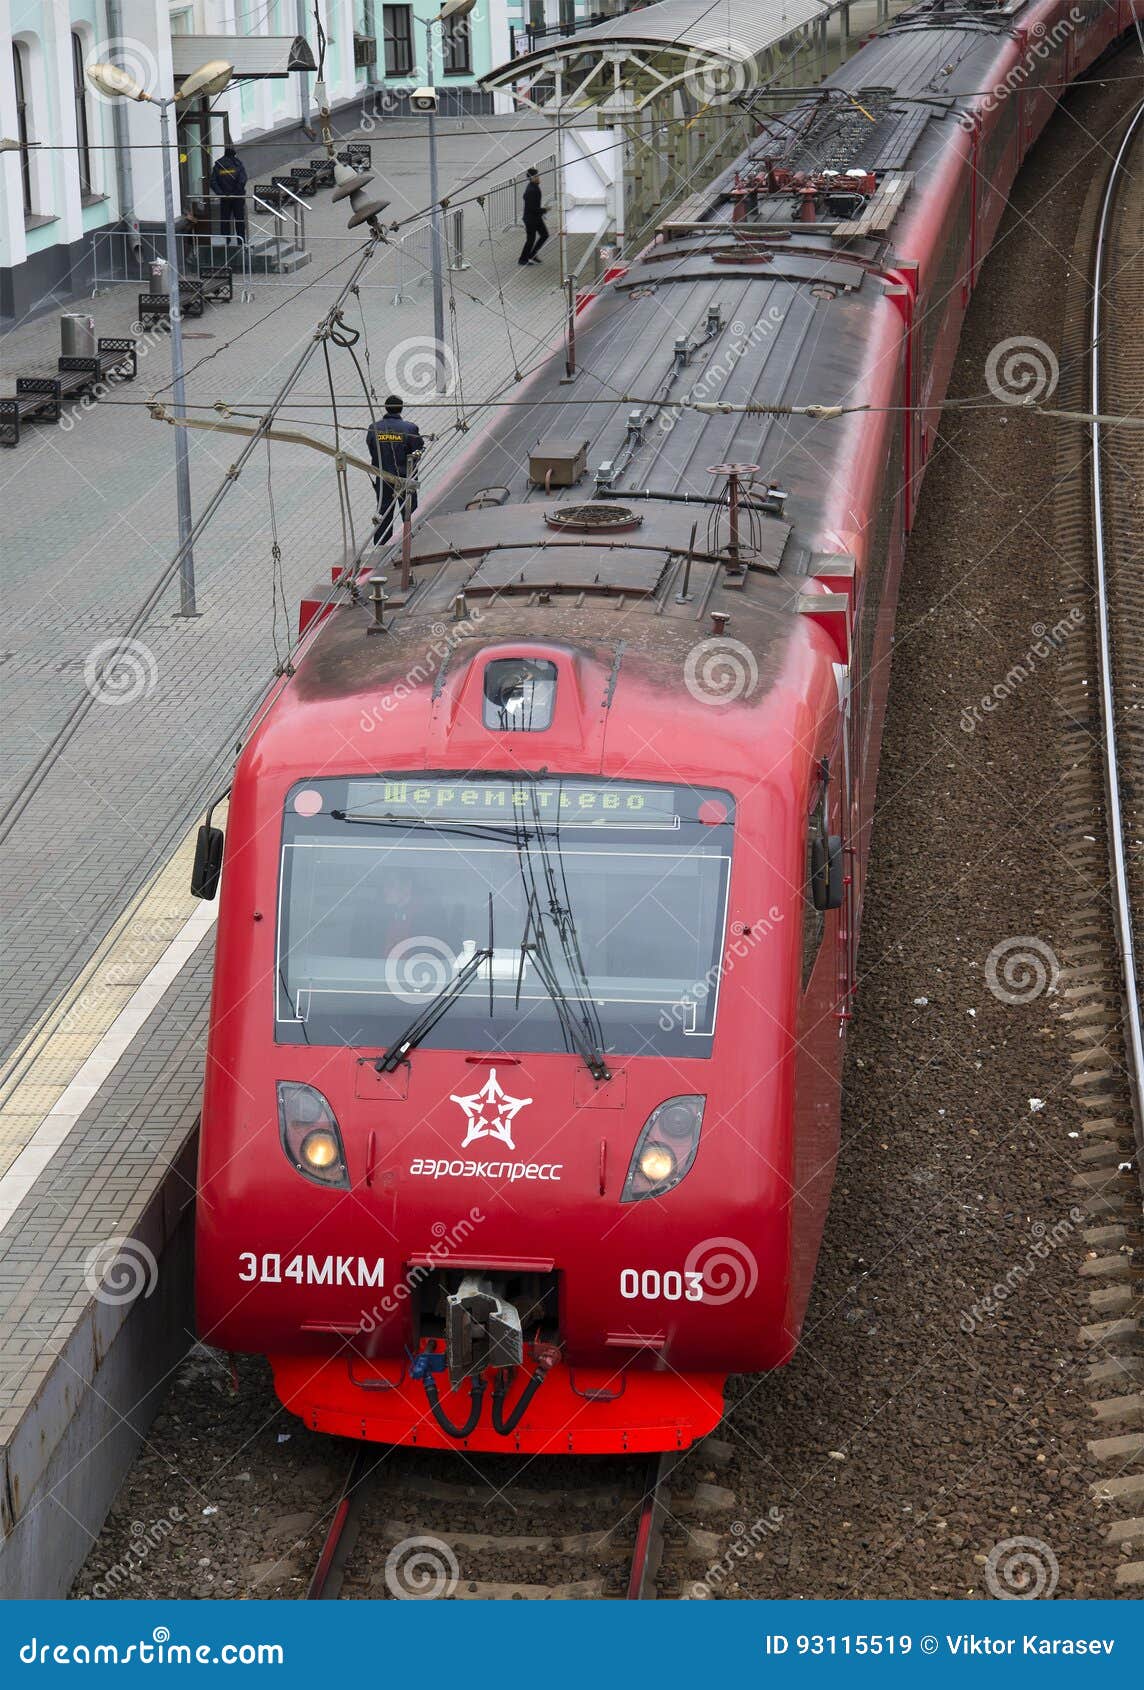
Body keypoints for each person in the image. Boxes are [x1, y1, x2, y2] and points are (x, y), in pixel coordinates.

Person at [366, 395, 424, 546]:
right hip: (405, 477)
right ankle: (413, 542)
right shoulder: (410, 428)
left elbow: (372, 449)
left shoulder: (374, 428)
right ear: (401, 408)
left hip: (383, 477)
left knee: (383, 512)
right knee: (410, 512)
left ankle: (381, 545)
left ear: (386, 407)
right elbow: (417, 450)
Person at [210, 146, 248, 244]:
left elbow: (213, 181)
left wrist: (221, 193)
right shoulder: (238, 163)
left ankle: (226, 240)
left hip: (225, 197)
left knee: (225, 219)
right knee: (239, 219)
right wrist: (236, 192)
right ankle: (241, 240)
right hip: (237, 197)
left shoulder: (218, 165)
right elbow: (243, 179)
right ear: (234, 154)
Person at [518, 167, 549, 266]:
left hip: (536, 218)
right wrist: (545, 210)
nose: (539, 178)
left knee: (544, 235)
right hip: (531, 219)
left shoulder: (534, 186)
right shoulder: (531, 190)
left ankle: (532, 254)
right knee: (531, 239)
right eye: (536, 176)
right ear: (532, 178)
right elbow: (532, 208)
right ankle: (523, 259)